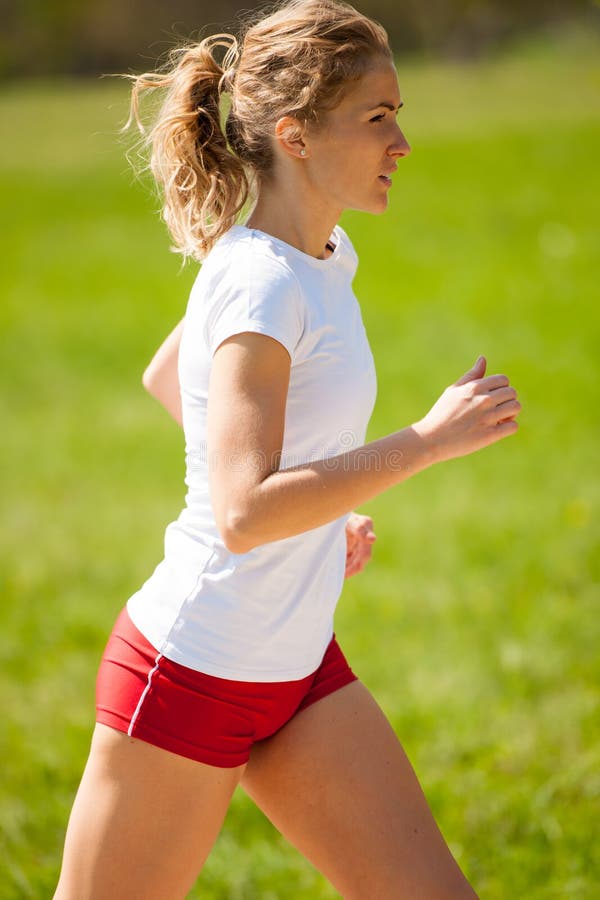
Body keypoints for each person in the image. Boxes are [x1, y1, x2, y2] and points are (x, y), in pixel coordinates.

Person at [54, 1, 521, 897]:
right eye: (378, 117)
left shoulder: (320, 256)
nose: (403, 142)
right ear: (296, 135)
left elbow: (171, 377)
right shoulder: (262, 280)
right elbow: (240, 515)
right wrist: (423, 442)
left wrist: (312, 516)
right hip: (190, 675)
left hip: (298, 668)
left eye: (399, 114)